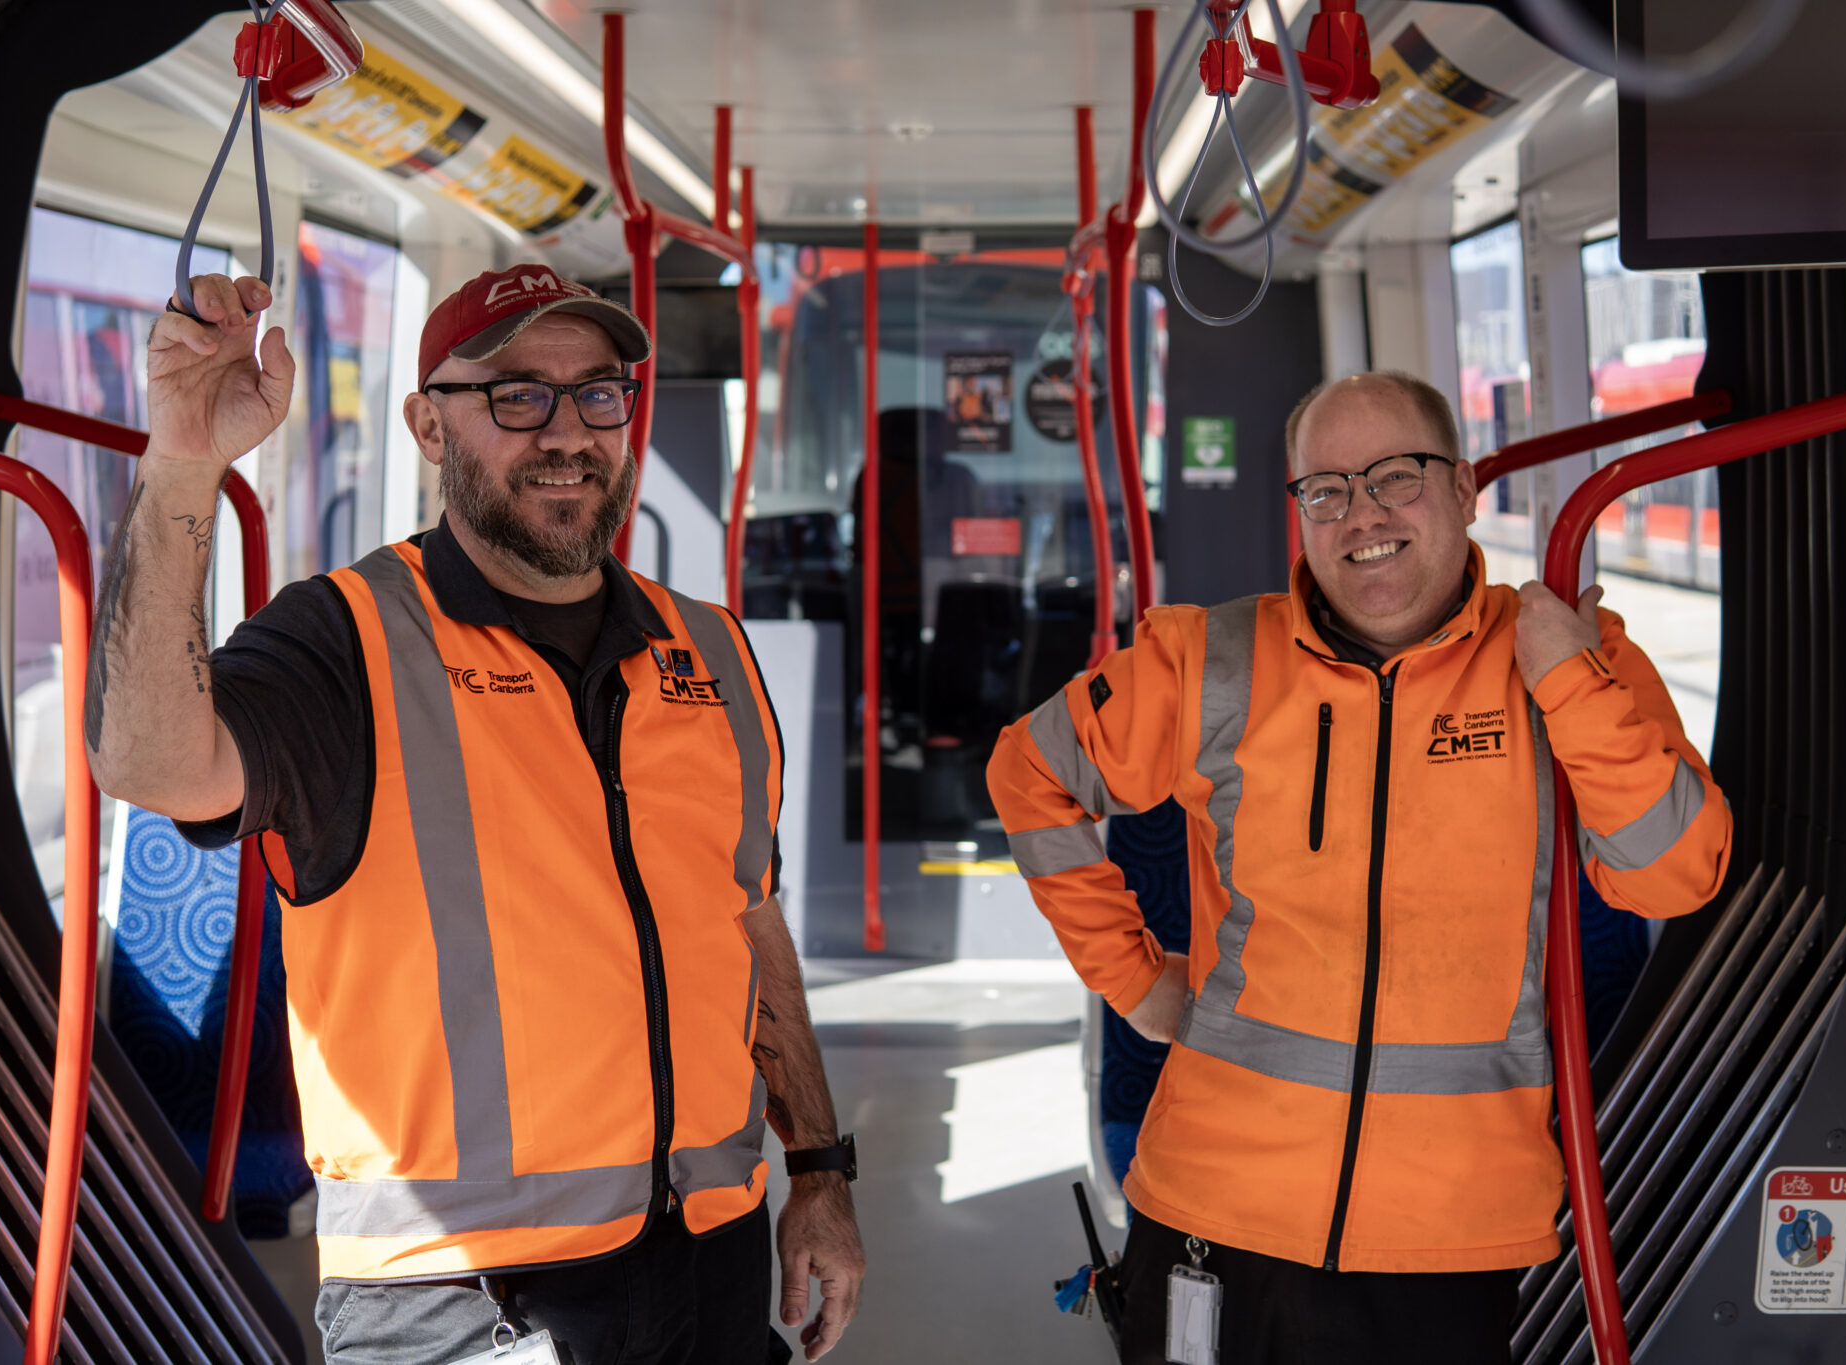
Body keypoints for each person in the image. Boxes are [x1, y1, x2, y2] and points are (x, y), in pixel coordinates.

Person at [85, 267, 865, 1363]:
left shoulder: (714, 654)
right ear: (428, 427)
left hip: (706, 1256)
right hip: (456, 1293)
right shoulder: (346, 642)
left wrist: (819, 1171)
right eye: (515, 396)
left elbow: (747, 919)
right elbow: (149, 762)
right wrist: (183, 462)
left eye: (598, 393)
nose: (567, 432)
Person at [987, 371, 1730, 1363]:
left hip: (1449, 1234)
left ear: (1466, 491)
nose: (1360, 515)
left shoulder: (1564, 664)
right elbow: (1028, 772)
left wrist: (1566, 677)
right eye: (1324, 489)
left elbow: (1673, 876)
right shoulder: (1212, 661)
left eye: (1393, 477)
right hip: (1215, 1209)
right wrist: (1129, 978)